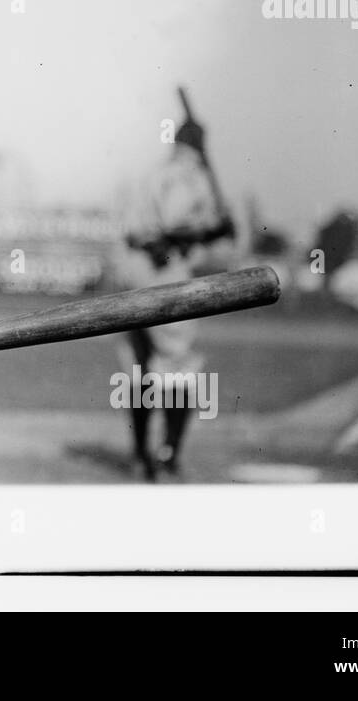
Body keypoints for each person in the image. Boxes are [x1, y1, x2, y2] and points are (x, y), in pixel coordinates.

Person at [117, 115, 232, 481]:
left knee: (138, 367)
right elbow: (174, 222)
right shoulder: (185, 174)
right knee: (177, 367)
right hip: (162, 268)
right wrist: (214, 229)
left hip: (133, 270)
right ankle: (167, 454)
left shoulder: (154, 172)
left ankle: (140, 455)